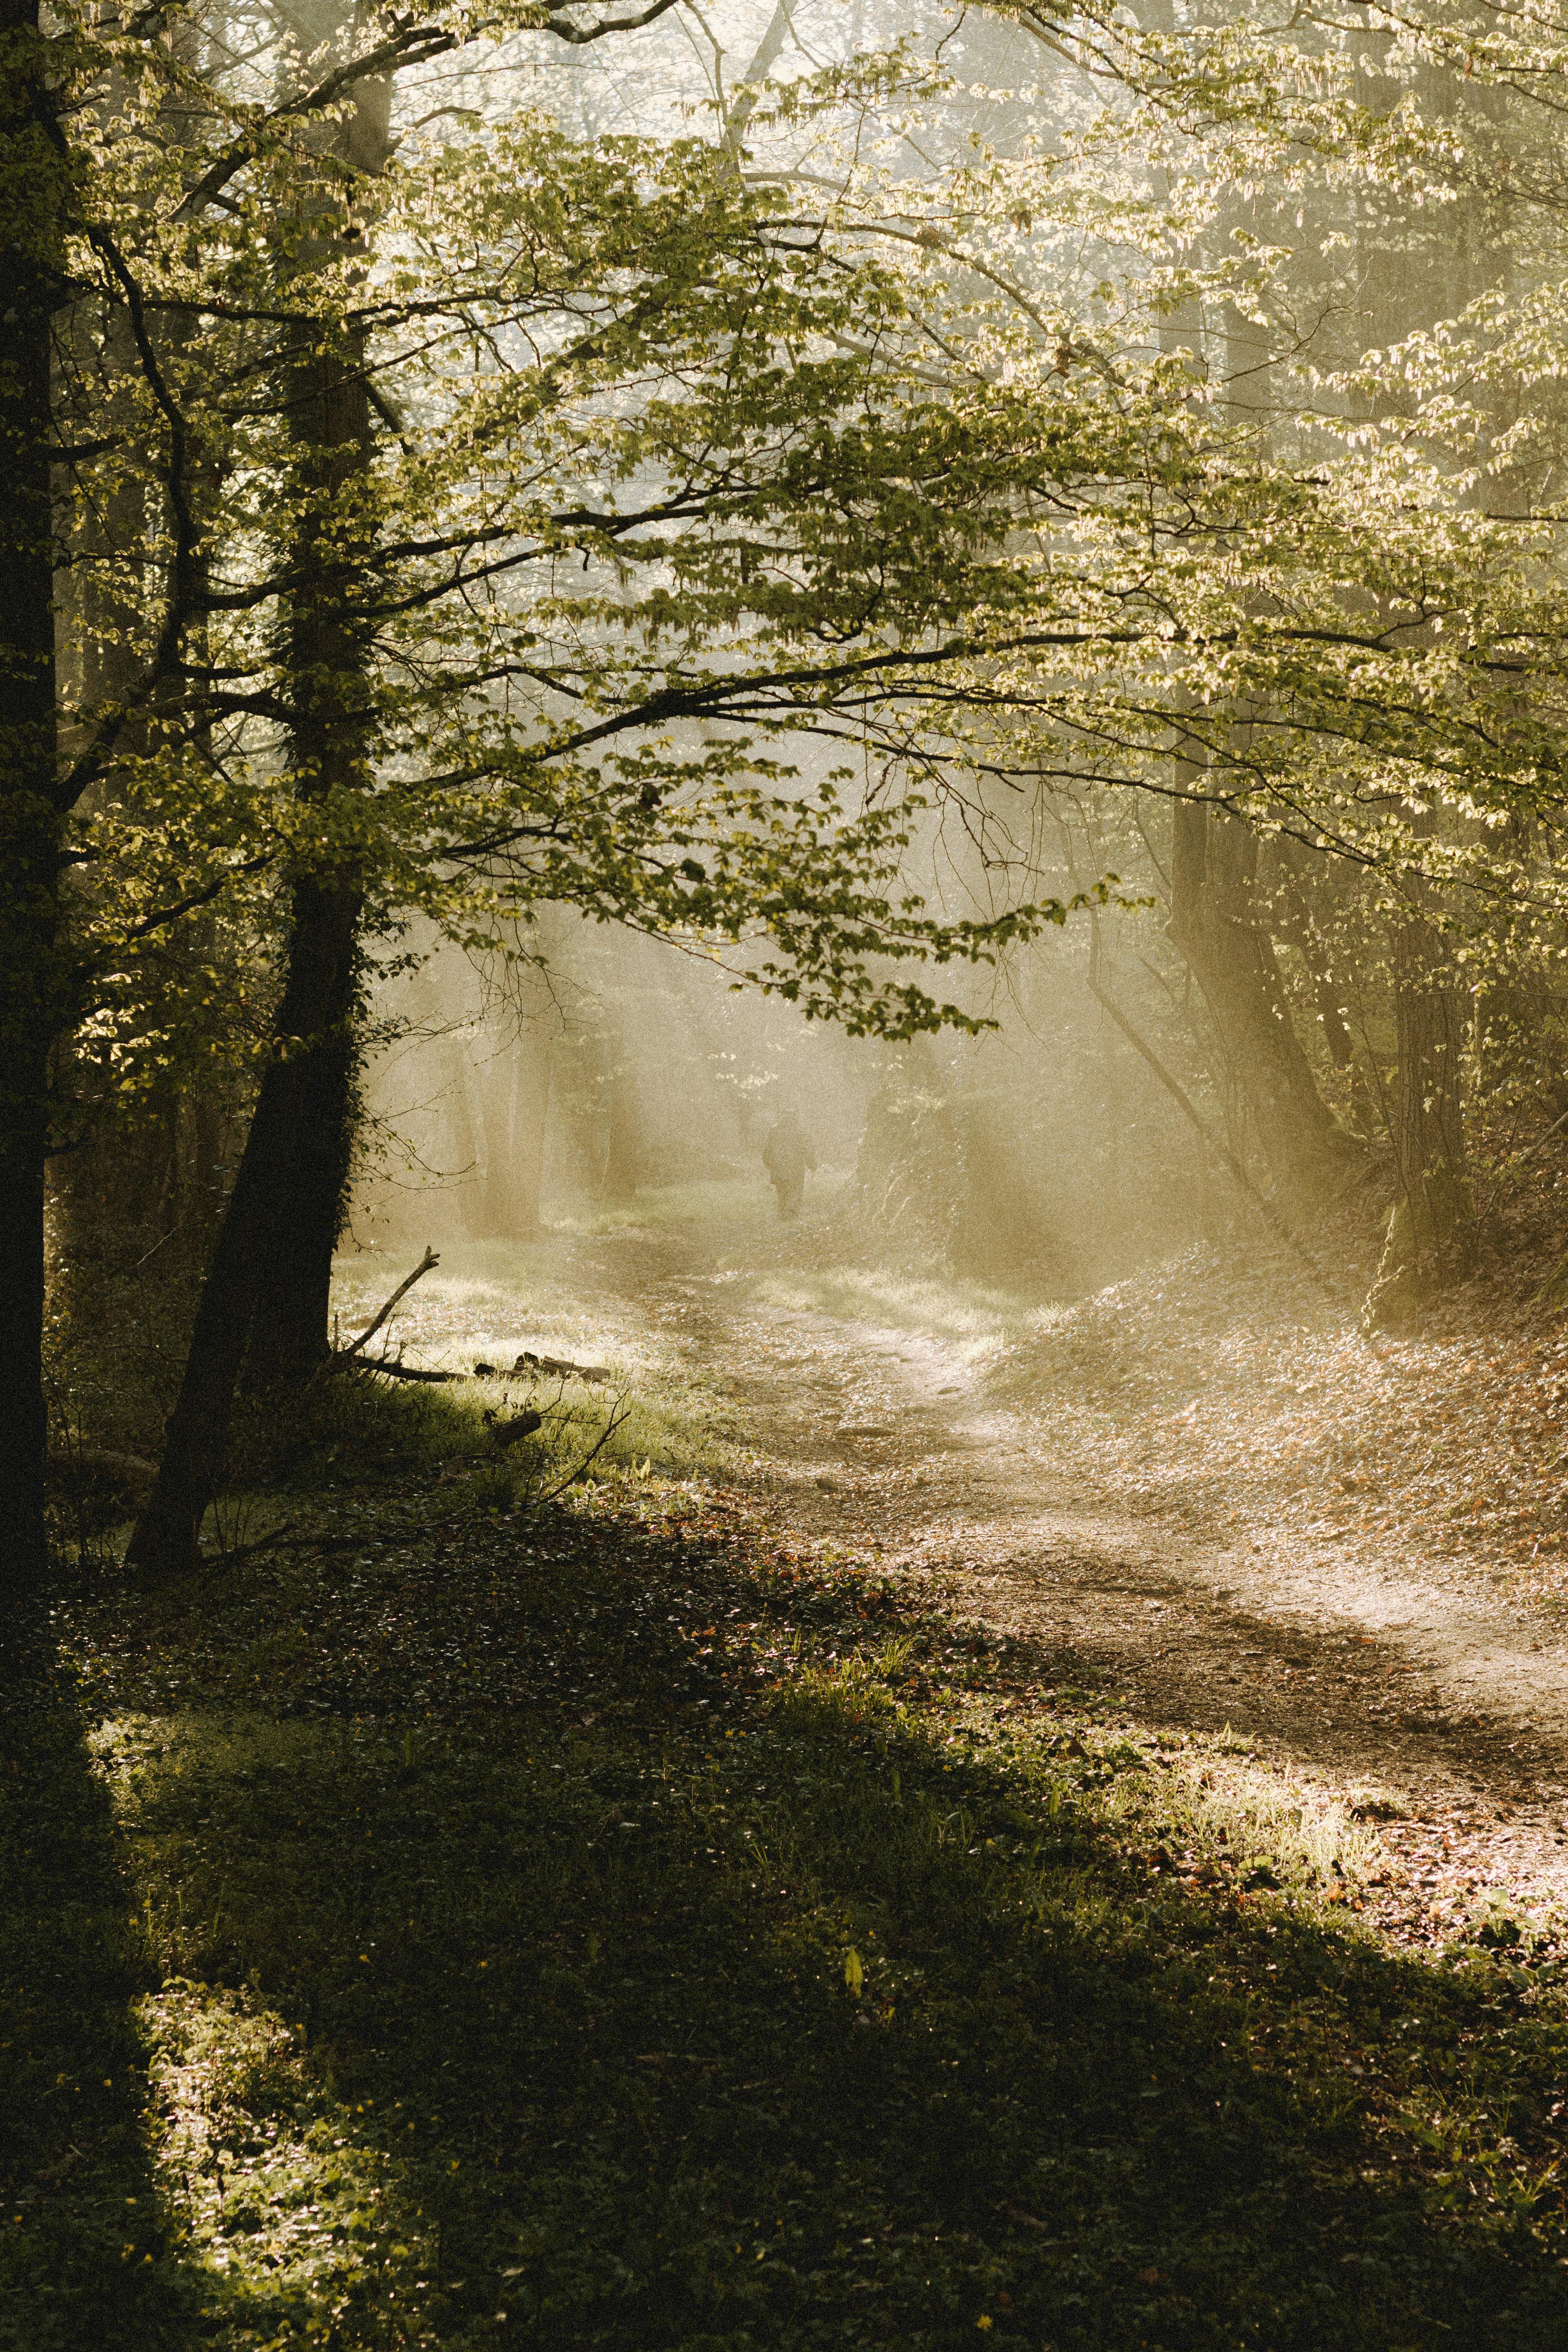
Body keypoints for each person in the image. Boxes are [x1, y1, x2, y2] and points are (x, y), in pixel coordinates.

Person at [761, 1106, 817, 1219]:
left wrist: (767, 1162)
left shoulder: (774, 1130)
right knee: (795, 1189)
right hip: (795, 1167)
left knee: (782, 1189)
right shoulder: (800, 1132)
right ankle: (791, 1212)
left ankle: (783, 1211)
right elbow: (807, 1149)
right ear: (796, 1119)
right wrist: (812, 1164)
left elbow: (767, 1149)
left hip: (778, 1166)